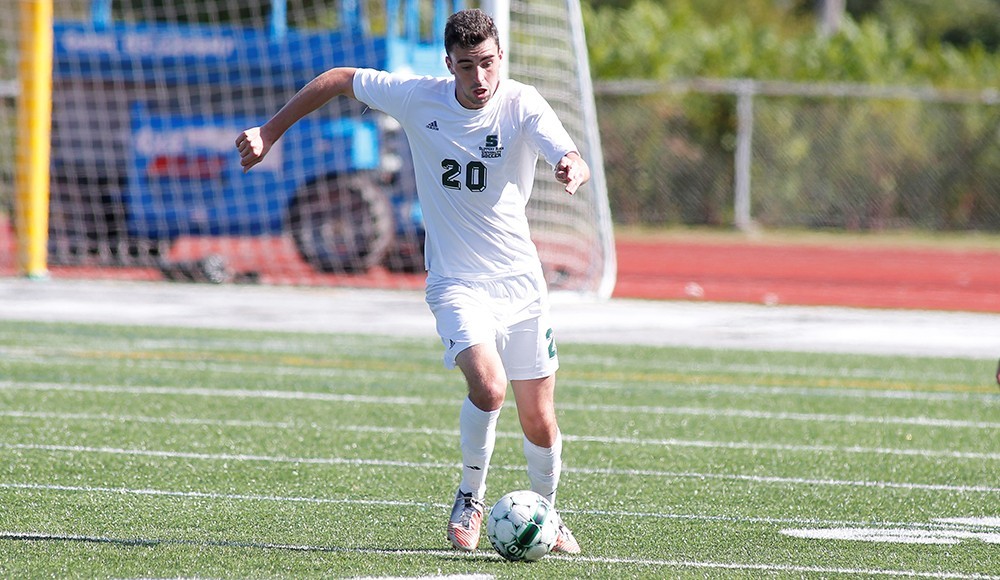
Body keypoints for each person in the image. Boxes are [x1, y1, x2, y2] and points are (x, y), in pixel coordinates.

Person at [236, 8, 588, 554]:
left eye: (488, 64)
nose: (480, 78)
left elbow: (562, 149)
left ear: (501, 59)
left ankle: (548, 512)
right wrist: (269, 132)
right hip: (455, 283)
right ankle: (469, 497)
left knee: (539, 419)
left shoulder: (522, 102)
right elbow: (336, 80)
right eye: (467, 66)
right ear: (448, 64)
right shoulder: (416, 96)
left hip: (521, 286)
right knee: (488, 386)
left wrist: (570, 164)